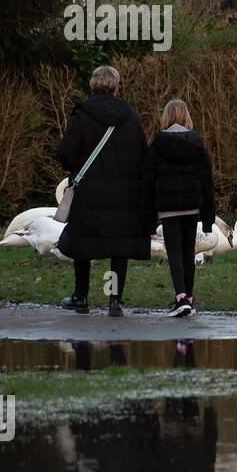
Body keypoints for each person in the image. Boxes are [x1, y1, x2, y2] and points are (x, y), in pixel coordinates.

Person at [56, 65, 151, 316]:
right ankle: (115, 301)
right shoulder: (130, 118)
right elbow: (144, 156)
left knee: (83, 243)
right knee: (119, 247)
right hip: (124, 194)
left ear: (92, 84)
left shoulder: (81, 116)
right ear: (117, 86)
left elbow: (65, 154)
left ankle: (81, 296)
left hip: (88, 193)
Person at [142, 99, 216, 317]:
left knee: (173, 251)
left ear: (166, 116)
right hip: (191, 206)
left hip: (168, 206)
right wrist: (209, 217)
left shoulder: (158, 144)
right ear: (186, 116)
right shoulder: (197, 144)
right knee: (187, 251)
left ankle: (180, 297)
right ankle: (189, 298)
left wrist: (147, 216)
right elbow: (206, 180)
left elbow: (148, 180)